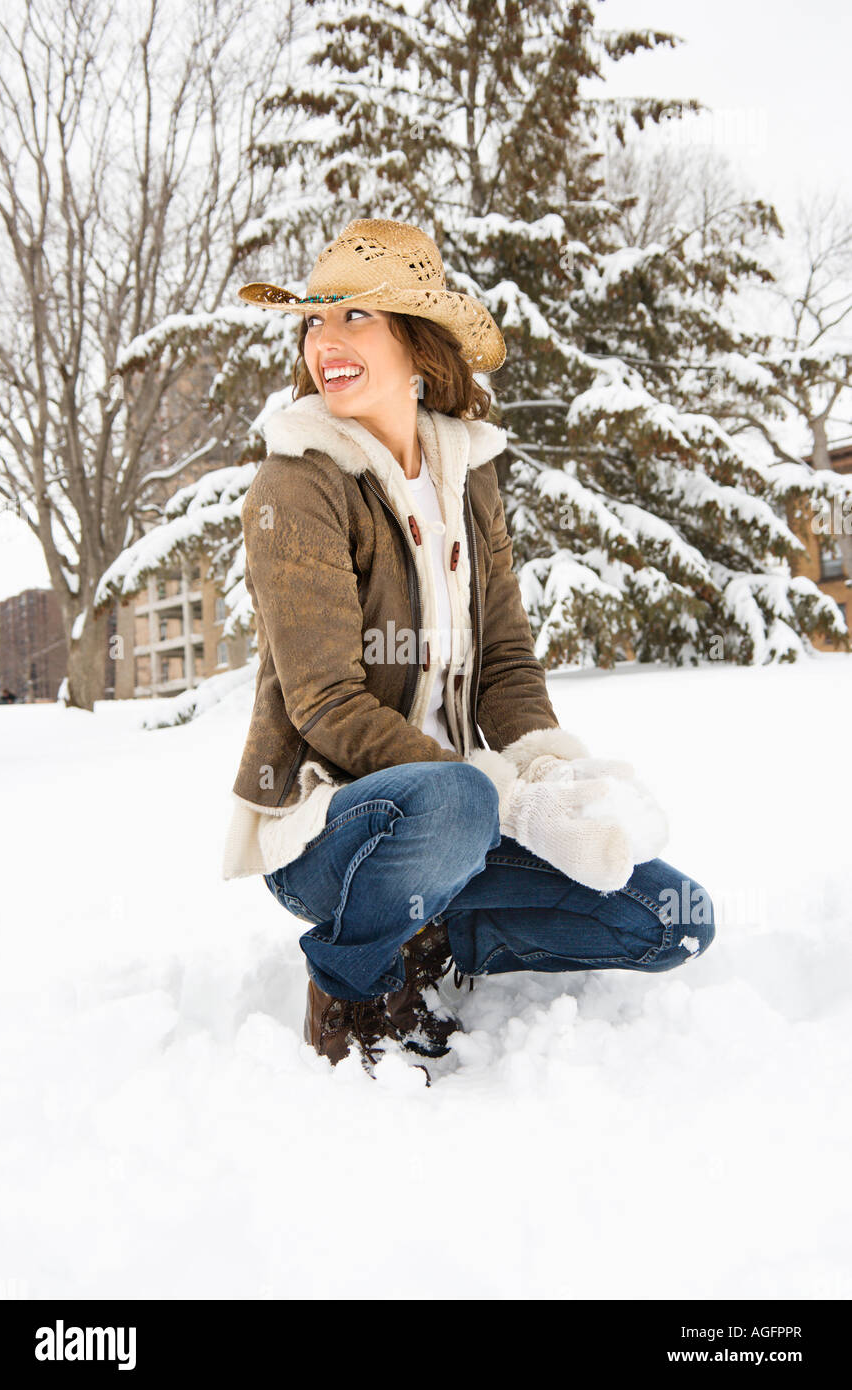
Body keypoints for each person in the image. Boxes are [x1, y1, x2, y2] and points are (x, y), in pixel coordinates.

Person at [222, 218, 715, 1079]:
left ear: (418, 346)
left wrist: (547, 775)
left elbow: (506, 662)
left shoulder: (468, 471)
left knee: (670, 918)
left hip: (461, 822)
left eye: (351, 318)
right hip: (339, 833)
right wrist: (492, 797)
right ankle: (349, 980)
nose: (322, 342)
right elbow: (326, 705)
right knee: (451, 800)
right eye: (312, 320)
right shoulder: (297, 482)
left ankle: (438, 935)